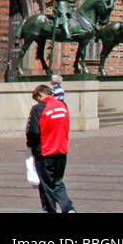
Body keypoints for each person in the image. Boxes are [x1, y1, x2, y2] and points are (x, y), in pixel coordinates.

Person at [26, 84, 74, 213]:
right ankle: (68, 209)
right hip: (61, 150)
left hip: (45, 151)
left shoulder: (38, 109)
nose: (38, 102)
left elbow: (33, 132)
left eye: (37, 99)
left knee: (46, 185)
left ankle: (50, 210)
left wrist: (30, 146)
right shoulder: (63, 106)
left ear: (41, 95)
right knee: (57, 182)